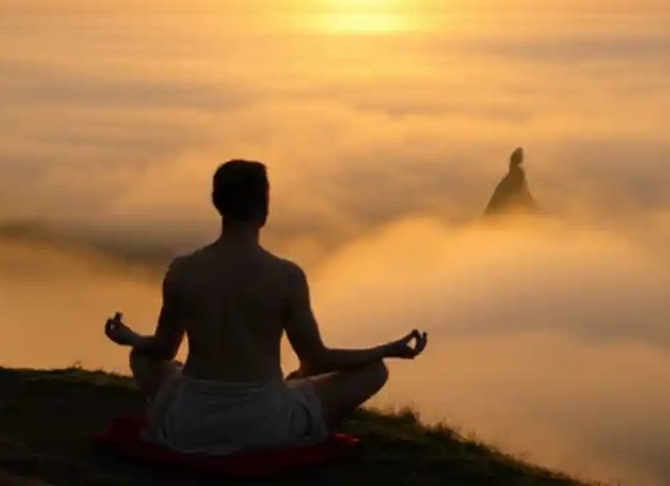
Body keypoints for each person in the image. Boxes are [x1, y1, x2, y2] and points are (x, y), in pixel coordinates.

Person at [103, 159, 428, 454]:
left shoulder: (182, 270)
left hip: (191, 423)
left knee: (142, 356)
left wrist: (129, 337)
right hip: (267, 424)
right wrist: (387, 349)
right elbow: (317, 359)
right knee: (374, 370)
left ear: (216, 202)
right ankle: (309, 418)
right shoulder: (286, 276)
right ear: (265, 208)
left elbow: (162, 348)